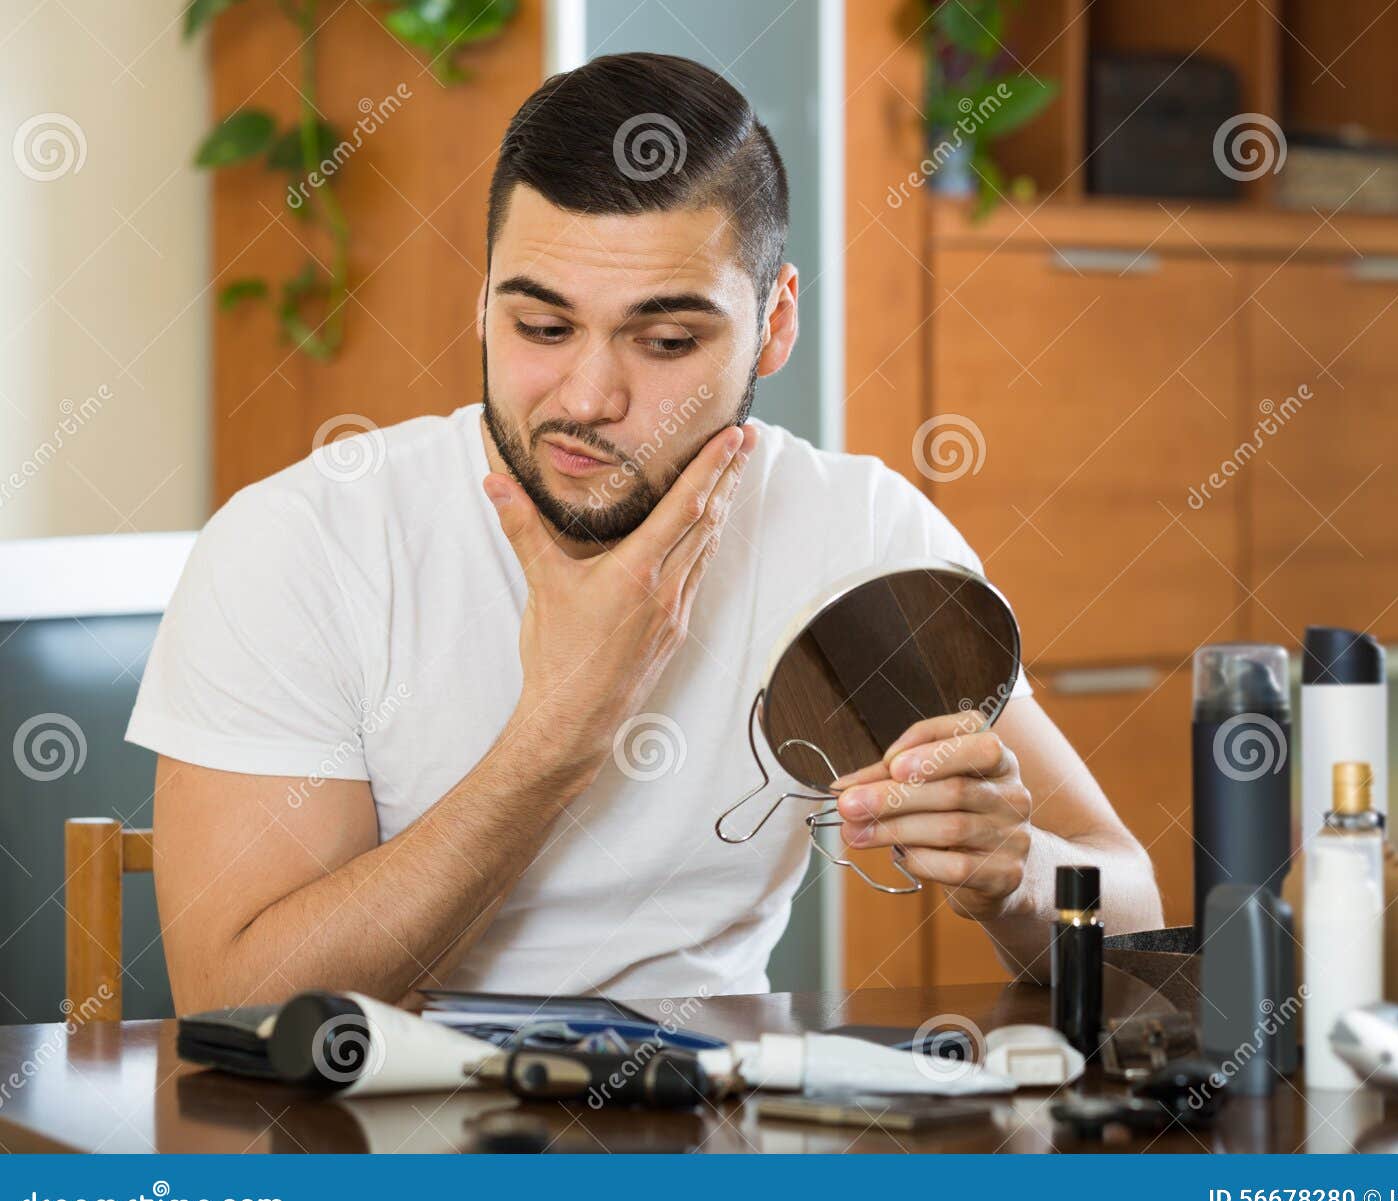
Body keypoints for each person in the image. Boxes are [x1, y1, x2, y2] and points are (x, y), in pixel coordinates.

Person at [128, 53, 1161, 1012]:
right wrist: (557, 734)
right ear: (481, 299)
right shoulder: (303, 541)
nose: (588, 395)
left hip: (713, 1135)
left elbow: (1132, 901)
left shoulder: (853, 531)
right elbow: (237, 1006)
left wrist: (1017, 877)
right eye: (540, 327)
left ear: (774, 321)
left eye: (666, 339)